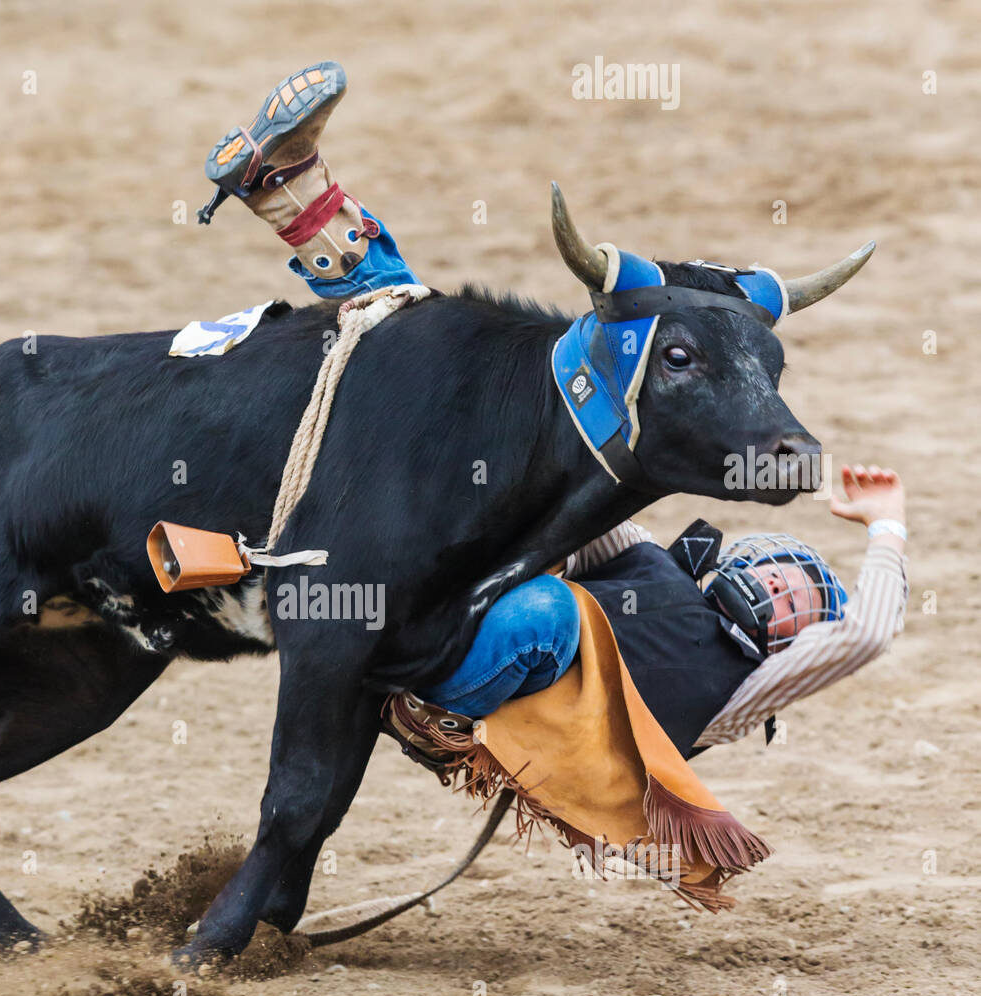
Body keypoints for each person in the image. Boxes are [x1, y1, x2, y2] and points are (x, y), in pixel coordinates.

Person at [202, 63, 909, 761]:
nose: (777, 589)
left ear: (796, 642)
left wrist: (886, 527)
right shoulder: (656, 572)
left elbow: (869, 632)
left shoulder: (745, 689)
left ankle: (405, 668)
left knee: (549, 610)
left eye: (797, 604)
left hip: (474, 686)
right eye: (783, 575)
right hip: (478, 635)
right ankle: (295, 199)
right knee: (460, 389)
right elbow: (563, 502)